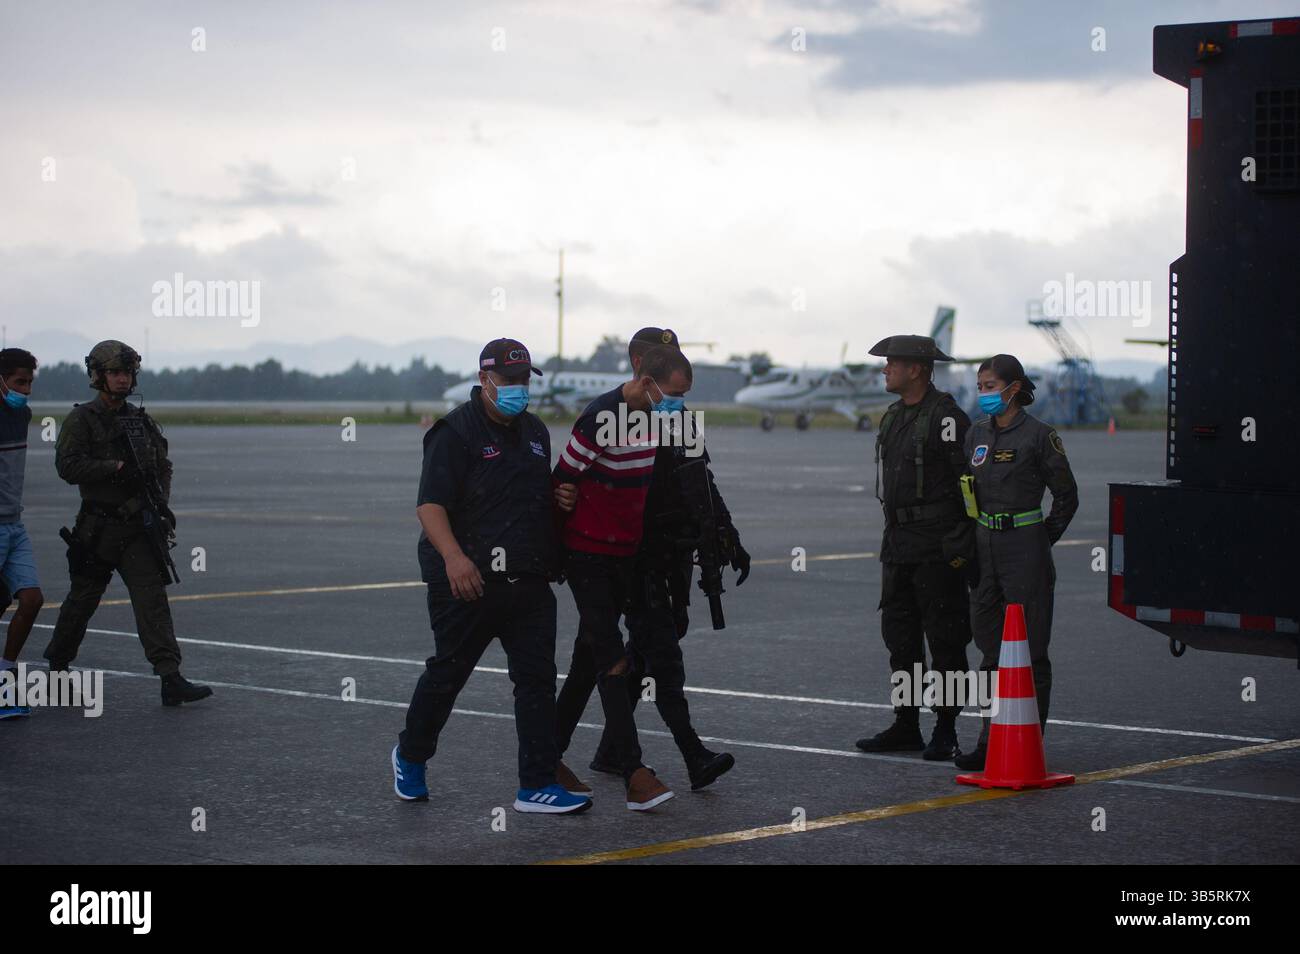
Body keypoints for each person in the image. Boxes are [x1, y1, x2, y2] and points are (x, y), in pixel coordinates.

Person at [392, 338, 590, 814]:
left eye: (525, 380)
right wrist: (455, 559)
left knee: (537, 680)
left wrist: (561, 499)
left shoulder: (537, 432)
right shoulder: (454, 432)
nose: (520, 389)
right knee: (449, 673)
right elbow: (429, 505)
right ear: (485, 380)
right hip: (467, 577)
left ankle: (536, 784)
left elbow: (529, 493)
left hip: (526, 577)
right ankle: (411, 754)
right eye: (510, 380)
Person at [567, 328, 747, 790]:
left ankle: (603, 751)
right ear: (638, 366)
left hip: (673, 551)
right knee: (662, 653)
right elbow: (572, 481)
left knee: (628, 652)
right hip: (632, 555)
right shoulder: (614, 417)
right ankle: (693, 755)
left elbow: (702, 477)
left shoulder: (680, 418)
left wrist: (727, 534)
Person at [551, 345, 696, 811]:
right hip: (588, 554)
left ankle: (543, 755)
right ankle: (634, 772)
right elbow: (561, 479)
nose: (678, 403)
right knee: (613, 659)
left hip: (625, 555)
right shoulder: (600, 417)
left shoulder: (659, 418)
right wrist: (567, 499)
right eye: (674, 394)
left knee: (585, 662)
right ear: (647, 382)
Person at [43, 341, 212, 706]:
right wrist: (114, 468)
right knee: (82, 602)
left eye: (127, 373)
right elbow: (67, 468)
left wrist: (159, 503)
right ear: (99, 376)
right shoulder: (82, 419)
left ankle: (170, 677)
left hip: (138, 526)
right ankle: (57, 668)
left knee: (152, 601)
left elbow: (162, 466)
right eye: (116, 373)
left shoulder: (139, 420)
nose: (123, 379)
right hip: (98, 528)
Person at [953, 354, 1078, 772]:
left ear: (1013, 388)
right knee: (989, 649)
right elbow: (967, 492)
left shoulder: (1040, 436)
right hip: (985, 546)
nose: (984, 393)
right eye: (981, 385)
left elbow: (1066, 497)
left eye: (990, 386)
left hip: (1024, 548)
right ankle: (990, 739)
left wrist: (1041, 541)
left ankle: (1027, 739)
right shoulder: (976, 434)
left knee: (1031, 649)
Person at [856, 335, 974, 760]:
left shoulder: (948, 419)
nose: (886, 369)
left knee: (946, 641)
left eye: (893, 363)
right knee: (901, 642)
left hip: (937, 549)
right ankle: (906, 725)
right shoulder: (893, 417)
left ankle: (946, 729)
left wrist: (963, 543)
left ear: (918, 370)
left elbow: (969, 485)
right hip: (898, 545)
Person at [0, 349, 44, 718]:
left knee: (31, 600)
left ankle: (5, 674)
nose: (25, 390)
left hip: (14, 524)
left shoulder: (23, 414)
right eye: (19, 382)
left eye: (29, 383)